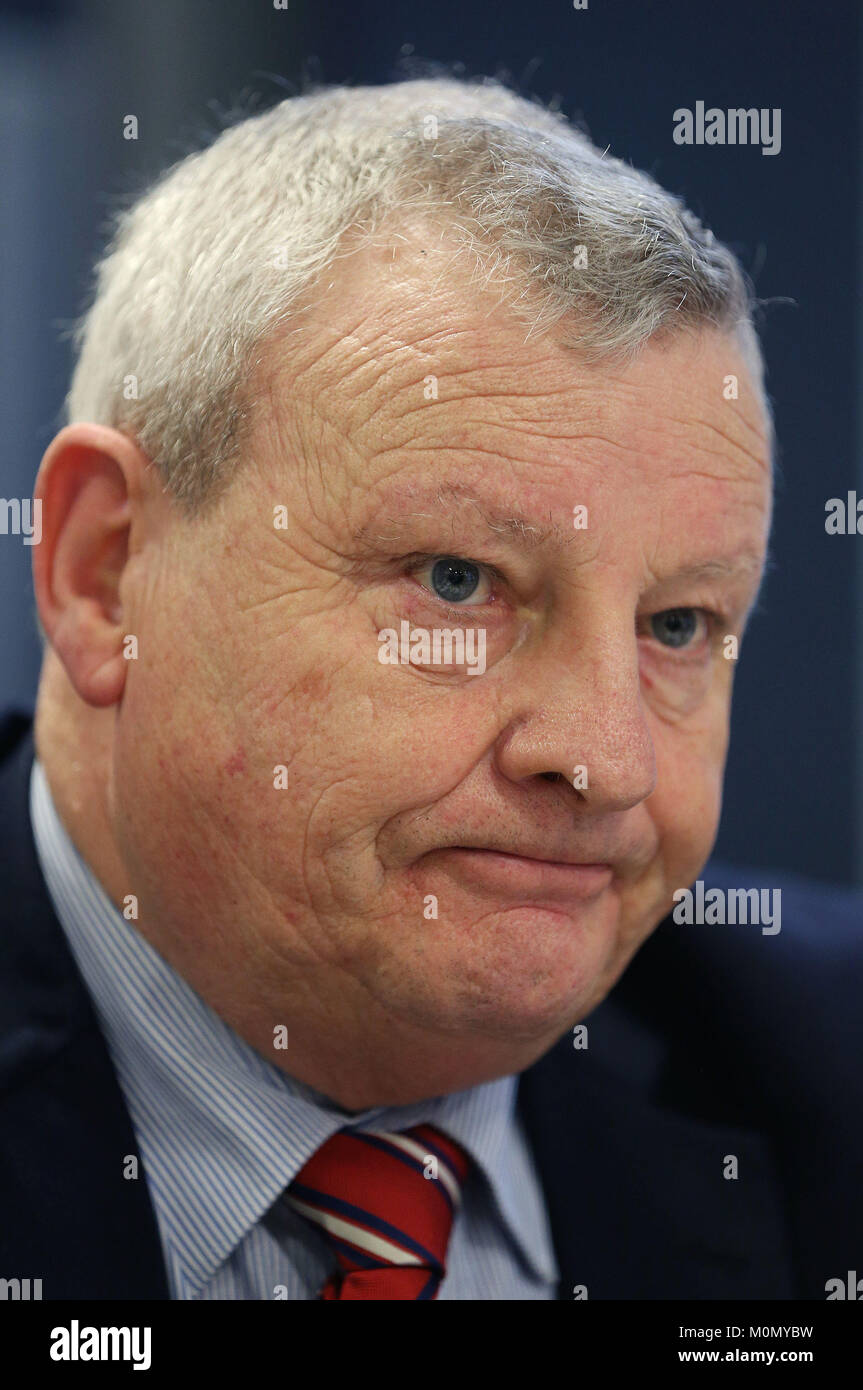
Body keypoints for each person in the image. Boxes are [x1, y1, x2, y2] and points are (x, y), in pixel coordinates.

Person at [1, 76, 860, 1301]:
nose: (603, 758)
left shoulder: (822, 1073)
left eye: (675, 622)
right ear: (105, 574)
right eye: (458, 582)